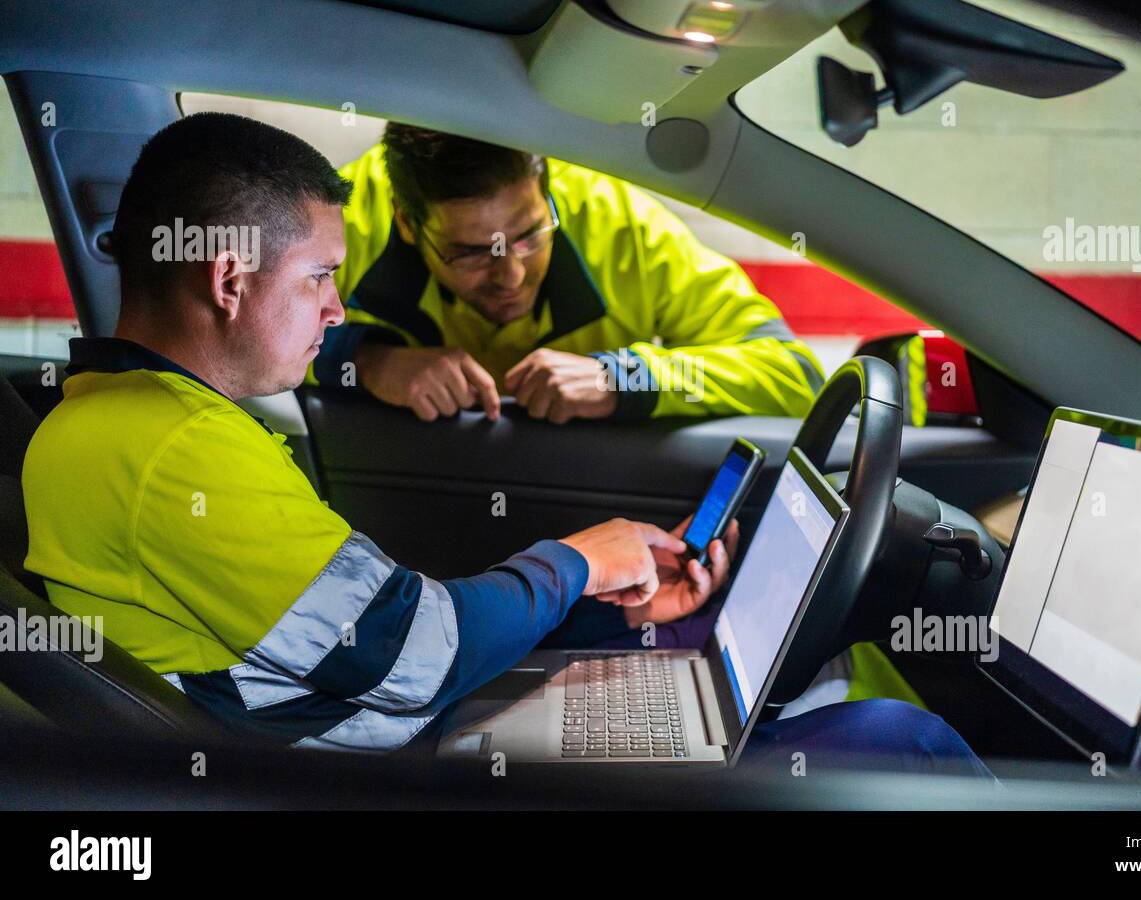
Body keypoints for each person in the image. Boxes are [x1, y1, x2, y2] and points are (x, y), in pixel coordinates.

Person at [22, 113, 987, 775]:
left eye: (527, 237)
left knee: (773, 688)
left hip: (411, 725)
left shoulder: (136, 421)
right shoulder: (170, 448)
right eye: (319, 278)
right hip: (407, 756)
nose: (340, 307)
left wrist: (609, 616)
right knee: (893, 738)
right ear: (229, 281)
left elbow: (371, 635)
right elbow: (414, 652)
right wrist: (578, 560)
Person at [306, 124, 825, 424]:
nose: (511, 277)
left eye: (530, 234)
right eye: (470, 252)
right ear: (406, 222)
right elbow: (254, 343)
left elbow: (793, 373)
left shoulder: (623, 226)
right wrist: (366, 360)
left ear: (547, 187)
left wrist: (626, 378)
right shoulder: (341, 222)